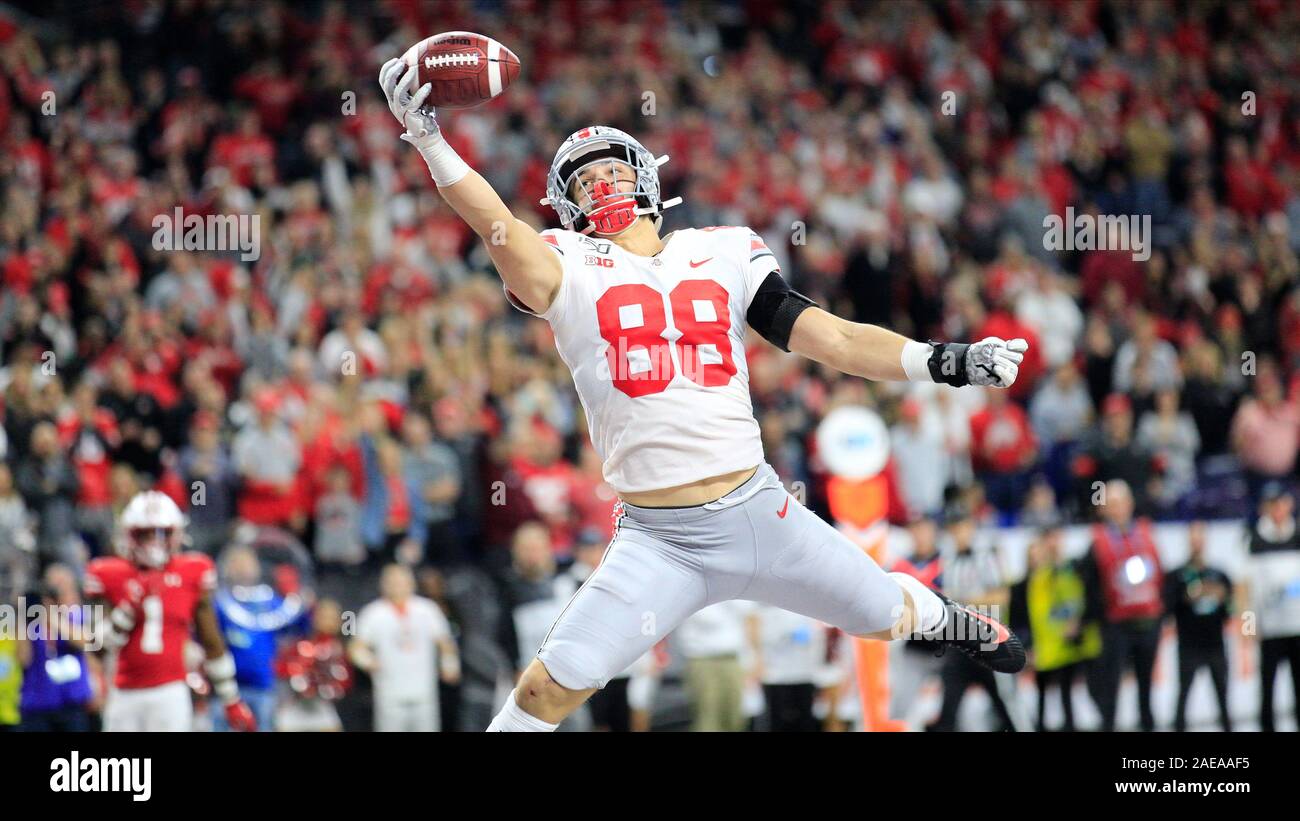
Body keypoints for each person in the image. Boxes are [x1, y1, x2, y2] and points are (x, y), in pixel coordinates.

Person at [377, 56, 1027, 733]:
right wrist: (430, 140)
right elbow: (494, 225)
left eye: (612, 168)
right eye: (583, 179)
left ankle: (941, 614)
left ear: (647, 175)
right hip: (660, 541)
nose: (600, 183)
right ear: (567, 206)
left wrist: (946, 360)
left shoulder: (724, 248)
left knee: (887, 617)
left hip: (763, 512)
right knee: (544, 691)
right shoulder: (564, 262)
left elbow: (829, 339)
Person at [84, 491, 256, 731]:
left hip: (170, 691)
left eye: (163, 533)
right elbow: (96, 647)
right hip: (123, 692)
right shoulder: (108, 573)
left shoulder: (193, 571)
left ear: (177, 533)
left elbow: (211, 639)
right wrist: (129, 609)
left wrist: (231, 698)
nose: (155, 542)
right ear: (128, 534)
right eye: (145, 533)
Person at [1078, 479, 1165, 732]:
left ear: (1130, 504)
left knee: (1146, 689)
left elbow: (1161, 574)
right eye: (1111, 504)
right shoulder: (1098, 540)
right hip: (1115, 625)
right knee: (1110, 688)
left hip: (1147, 621)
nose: (1116, 509)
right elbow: (1089, 585)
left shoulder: (1146, 532)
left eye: (1120, 503)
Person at [926, 505, 1021, 732]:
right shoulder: (949, 560)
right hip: (959, 643)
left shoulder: (987, 555)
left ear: (971, 528)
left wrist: (964, 603)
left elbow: (1001, 597)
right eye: (953, 530)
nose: (957, 534)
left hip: (989, 641)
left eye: (961, 528)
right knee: (948, 706)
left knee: (1007, 704)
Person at [350, 563, 460, 732]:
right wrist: (368, 662)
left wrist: (449, 664)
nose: (397, 586)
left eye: (401, 581)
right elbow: (356, 648)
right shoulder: (373, 613)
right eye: (392, 581)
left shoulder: (427, 609)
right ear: (383, 585)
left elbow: (445, 642)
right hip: (389, 694)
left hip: (424, 693)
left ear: (411, 583)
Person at [1011, 526, 1100, 732]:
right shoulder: (1024, 585)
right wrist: (1026, 645)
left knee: (1067, 695)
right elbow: (1021, 618)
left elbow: (1073, 602)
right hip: (1042, 647)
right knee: (1041, 695)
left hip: (1064, 646)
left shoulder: (1065, 572)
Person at [211, 545, 308, 731]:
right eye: (237, 563)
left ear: (257, 567)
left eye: (247, 562)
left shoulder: (269, 600)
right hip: (225, 688)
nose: (243, 568)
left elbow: (298, 625)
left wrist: (299, 599)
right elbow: (206, 636)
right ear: (228, 568)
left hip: (263, 685)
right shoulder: (221, 602)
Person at [1164, 521, 1233, 732]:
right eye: (1193, 539)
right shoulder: (1176, 576)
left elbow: (1231, 610)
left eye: (1200, 539)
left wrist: (1221, 598)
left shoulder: (1220, 575)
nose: (1197, 544)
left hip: (1215, 643)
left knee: (1222, 695)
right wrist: (1188, 597)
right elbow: (1168, 609)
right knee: (1183, 694)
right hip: (1189, 644)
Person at [1245, 483, 1300, 732]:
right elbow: (1244, 588)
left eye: (1282, 503)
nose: (1278, 509)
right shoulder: (1255, 540)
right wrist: (1248, 626)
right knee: (1267, 687)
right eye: (1272, 504)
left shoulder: (1297, 534)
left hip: (1297, 626)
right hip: (1269, 629)